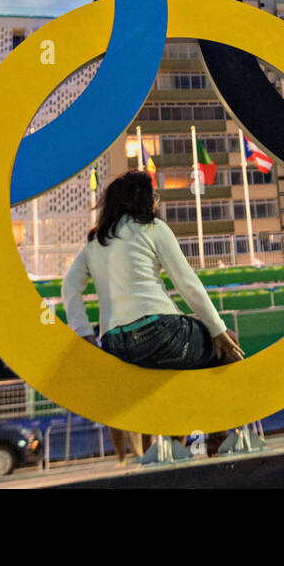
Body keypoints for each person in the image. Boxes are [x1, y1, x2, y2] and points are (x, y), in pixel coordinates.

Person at [62, 171, 244, 449]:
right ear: (141, 198)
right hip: (160, 332)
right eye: (152, 193)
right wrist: (218, 330)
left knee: (169, 372)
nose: (156, 199)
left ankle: (176, 442)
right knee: (227, 346)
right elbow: (187, 283)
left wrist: (85, 332)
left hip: (115, 344)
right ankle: (218, 436)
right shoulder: (152, 229)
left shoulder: (95, 242)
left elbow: (69, 287)